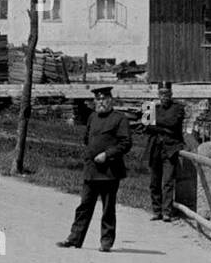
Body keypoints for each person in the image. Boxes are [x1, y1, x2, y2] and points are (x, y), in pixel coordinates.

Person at [57, 85, 132, 253]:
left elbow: (126, 143)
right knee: (84, 205)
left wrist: (107, 154)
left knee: (108, 208)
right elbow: (87, 138)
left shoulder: (120, 119)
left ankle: (106, 242)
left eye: (104, 99)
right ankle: (75, 238)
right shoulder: (92, 117)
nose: (101, 102)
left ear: (111, 100)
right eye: (98, 99)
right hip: (91, 170)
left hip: (110, 171)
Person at [144, 82, 185, 222]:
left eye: (166, 94)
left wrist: (156, 123)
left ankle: (167, 212)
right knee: (154, 182)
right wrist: (164, 127)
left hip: (170, 149)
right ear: (158, 95)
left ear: (171, 94)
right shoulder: (150, 107)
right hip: (155, 148)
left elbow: (173, 123)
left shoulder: (178, 107)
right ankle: (156, 211)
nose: (164, 97)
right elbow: (145, 127)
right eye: (161, 94)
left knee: (167, 181)